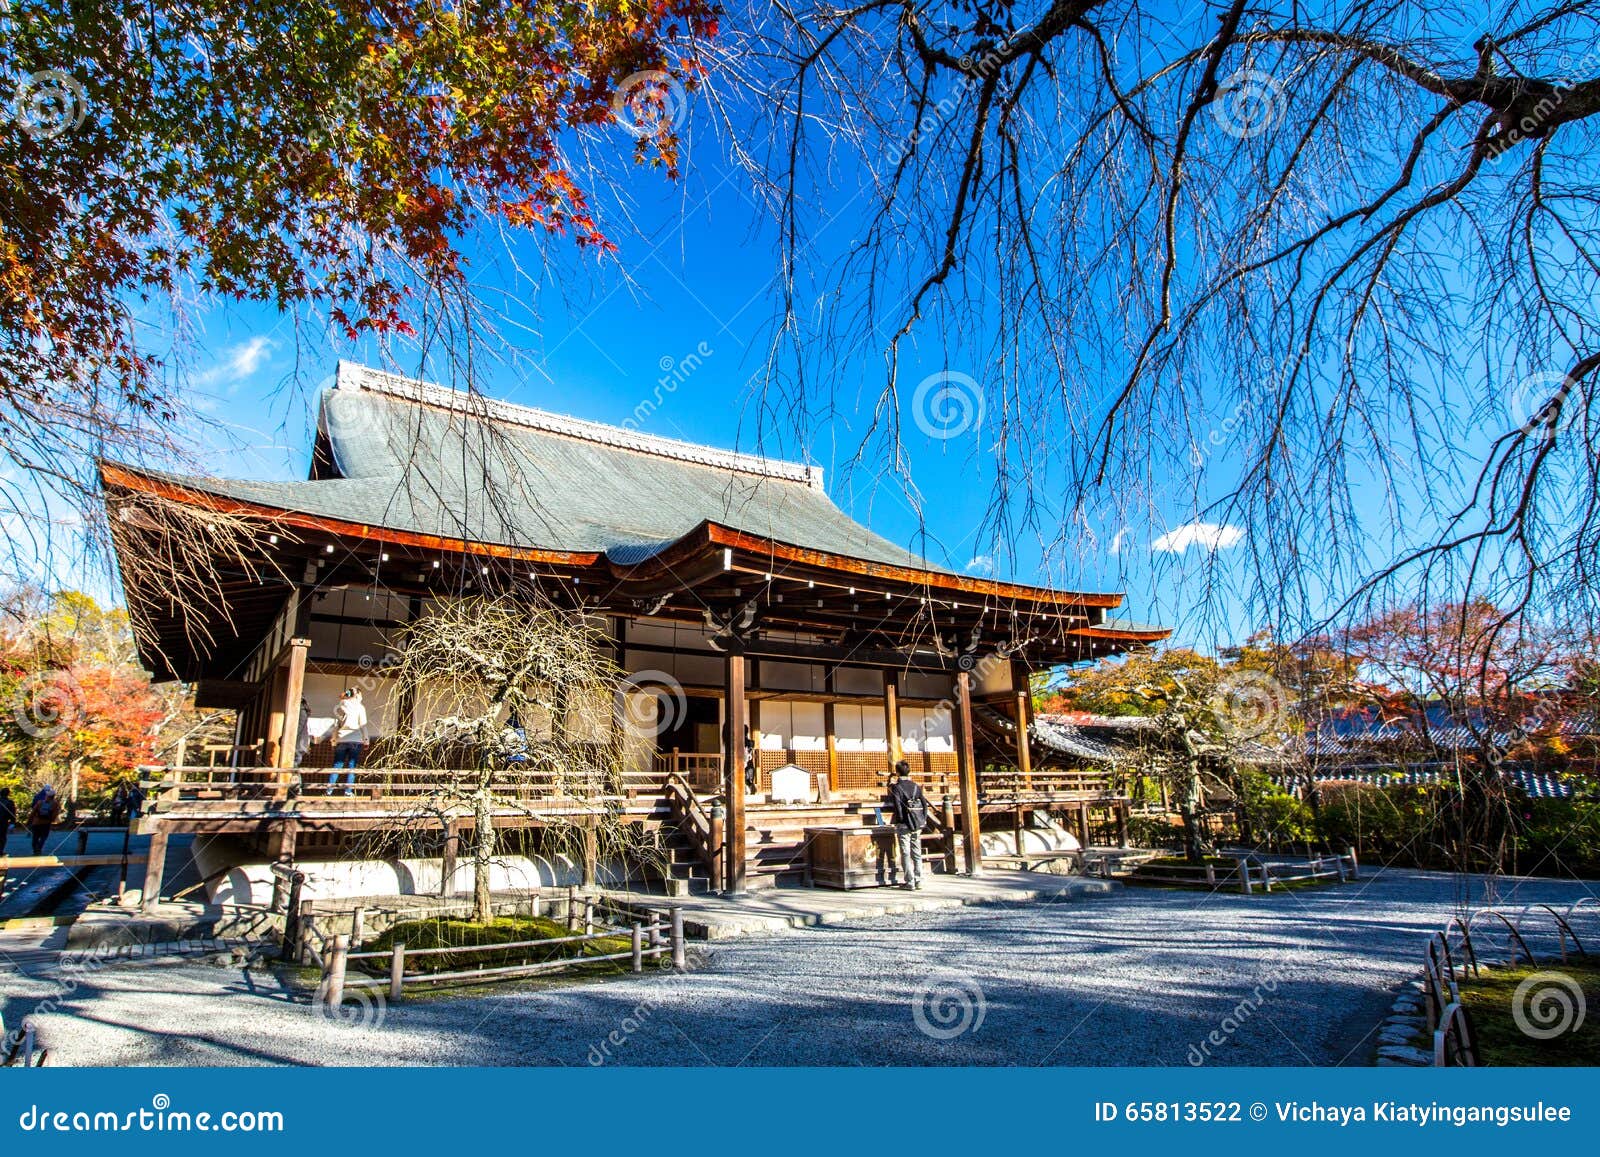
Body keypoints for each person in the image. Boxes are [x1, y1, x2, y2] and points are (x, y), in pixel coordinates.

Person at [885, 759, 930, 890]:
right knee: (916, 851)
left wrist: (899, 820)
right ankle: (919, 879)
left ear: (897, 772)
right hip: (917, 822)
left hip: (904, 823)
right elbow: (924, 804)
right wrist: (923, 819)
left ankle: (909, 881)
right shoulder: (916, 786)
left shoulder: (897, 787)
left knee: (905, 852)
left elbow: (898, 807)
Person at [329, 688, 368, 795]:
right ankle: (348, 791)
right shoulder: (360, 708)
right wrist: (366, 740)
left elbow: (336, 726)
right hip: (355, 740)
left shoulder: (341, 707)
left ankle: (329, 790)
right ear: (357, 695)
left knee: (337, 765)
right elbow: (363, 726)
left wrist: (333, 741)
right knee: (352, 766)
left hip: (341, 739)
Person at [26, 784, 61, 856]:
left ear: (46, 795)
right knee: (43, 837)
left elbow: (33, 812)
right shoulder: (55, 804)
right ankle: (39, 849)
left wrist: (29, 821)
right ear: (53, 796)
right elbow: (55, 814)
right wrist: (51, 820)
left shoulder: (40, 802)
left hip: (36, 822)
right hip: (46, 823)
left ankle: (35, 850)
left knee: (35, 837)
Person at [294, 697, 311, 766]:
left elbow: (299, 727)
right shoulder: (303, 710)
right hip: (301, 743)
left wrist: (287, 738)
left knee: (293, 765)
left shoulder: (301, 711)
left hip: (298, 743)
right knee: (294, 765)